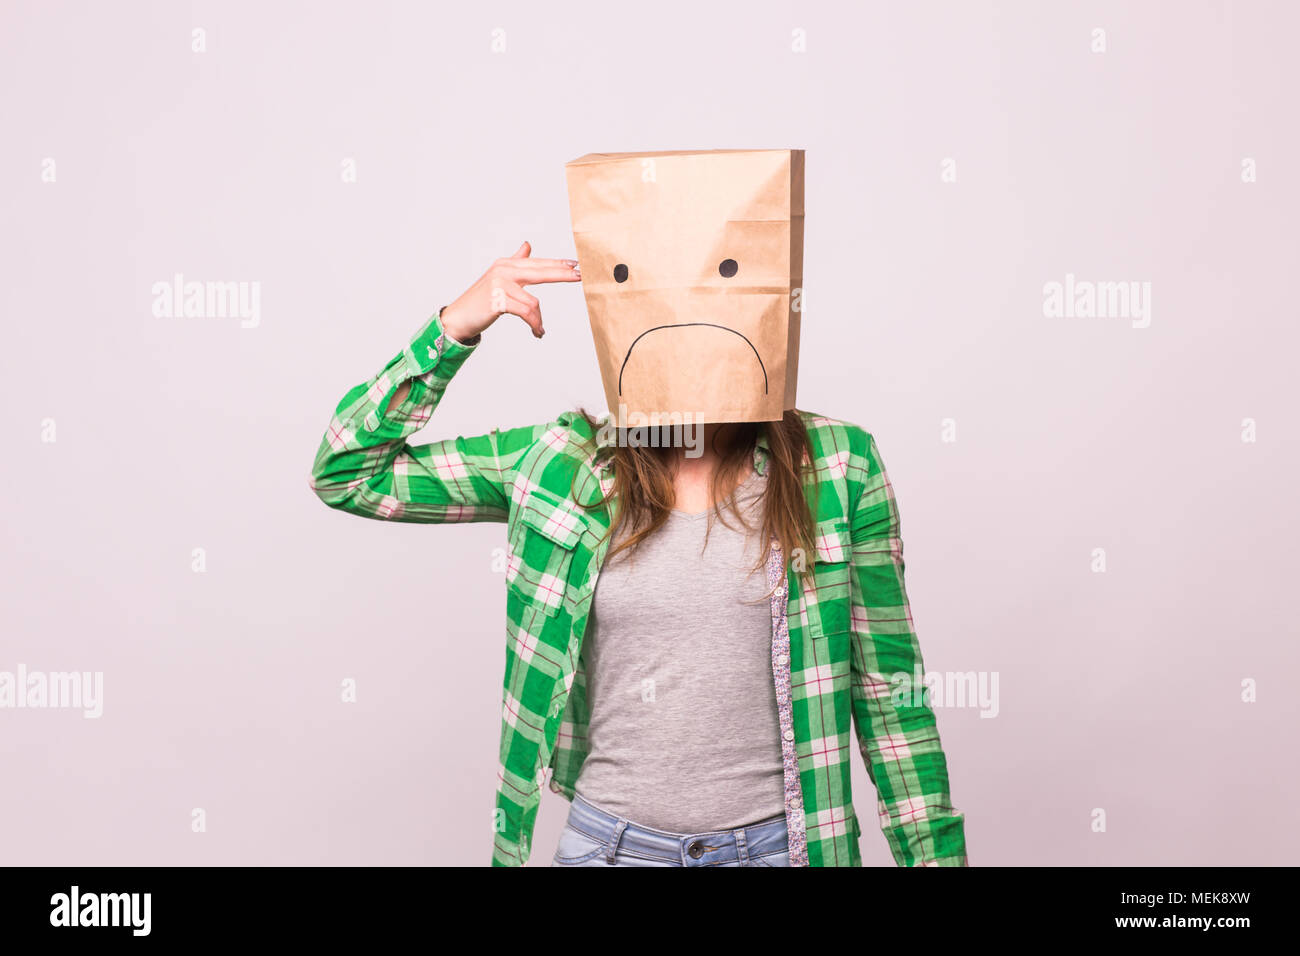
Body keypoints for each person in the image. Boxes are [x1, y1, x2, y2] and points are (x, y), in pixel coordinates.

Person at [308, 242, 969, 867]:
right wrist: (456, 326)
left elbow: (891, 702)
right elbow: (347, 472)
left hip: (783, 851)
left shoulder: (836, 465)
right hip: (611, 849)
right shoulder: (560, 464)